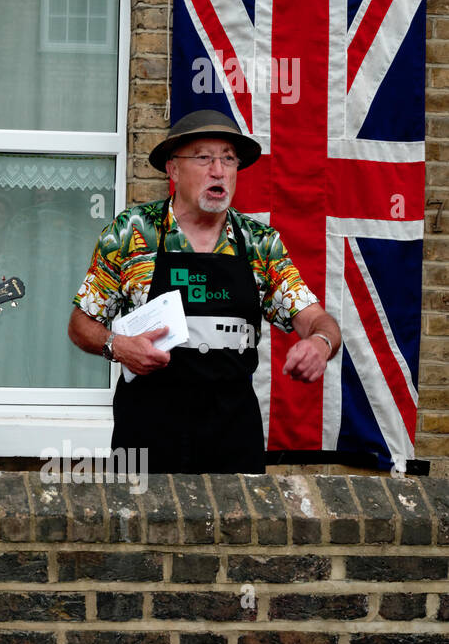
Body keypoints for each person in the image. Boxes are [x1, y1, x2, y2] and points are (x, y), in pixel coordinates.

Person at [67, 110, 341, 474]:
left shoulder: (259, 242)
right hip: (148, 426)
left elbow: (317, 318)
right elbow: (81, 324)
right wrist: (117, 345)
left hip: (231, 431)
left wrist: (320, 343)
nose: (219, 170)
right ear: (173, 170)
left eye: (228, 159)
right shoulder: (132, 232)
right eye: (204, 158)